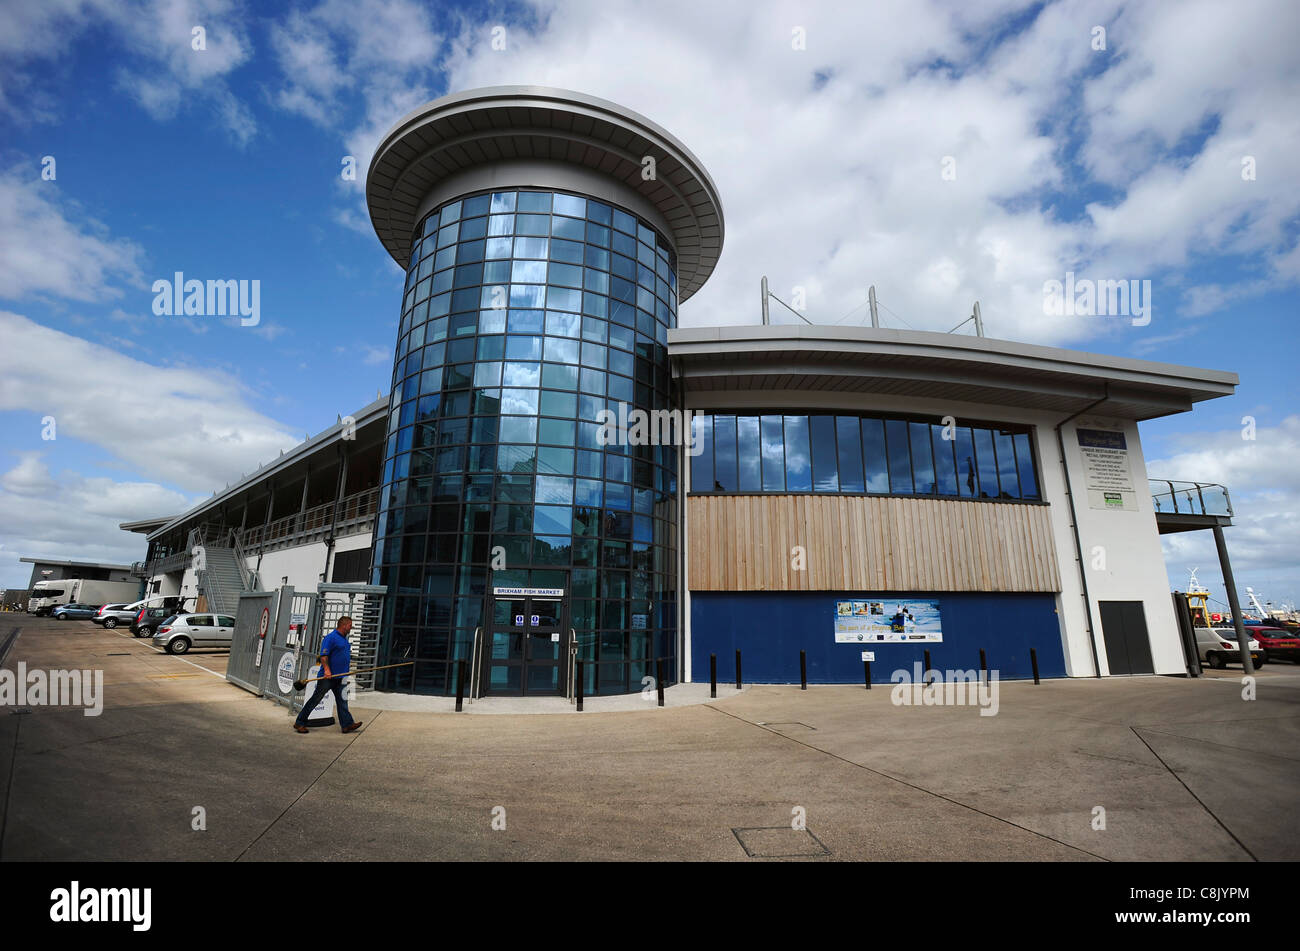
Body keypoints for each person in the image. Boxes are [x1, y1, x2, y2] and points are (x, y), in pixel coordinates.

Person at [294, 616, 362, 734]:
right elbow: (324, 656)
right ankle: (299, 722)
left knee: (342, 701)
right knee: (316, 699)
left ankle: (347, 725)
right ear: (344, 625)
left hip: (341, 677)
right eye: (350, 626)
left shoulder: (344, 639)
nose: (351, 628)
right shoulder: (331, 638)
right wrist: (327, 670)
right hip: (328, 678)